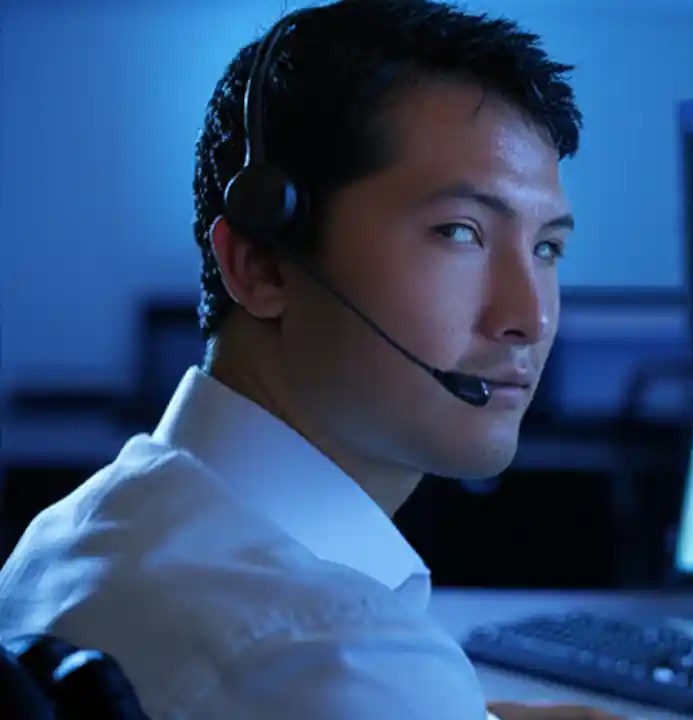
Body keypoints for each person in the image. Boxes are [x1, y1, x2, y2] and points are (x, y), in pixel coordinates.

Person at [0, 1, 619, 718]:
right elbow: (324, 672)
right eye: (460, 233)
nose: (531, 317)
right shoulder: (337, 657)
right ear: (262, 266)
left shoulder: (68, 539)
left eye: (547, 249)